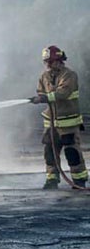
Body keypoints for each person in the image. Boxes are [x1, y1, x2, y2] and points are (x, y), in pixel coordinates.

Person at [30, 45, 87, 189]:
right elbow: (41, 91)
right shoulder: (44, 77)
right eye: (46, 62)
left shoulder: (69, 75)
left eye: (50, 61)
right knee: (49, 153)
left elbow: (63, 93)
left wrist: (44, 98)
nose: (48, 65)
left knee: (72, 153)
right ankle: (52, 180)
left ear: (59, 60)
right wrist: (39, 97)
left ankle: (79, 181)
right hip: (51, 123)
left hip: (68, 123)